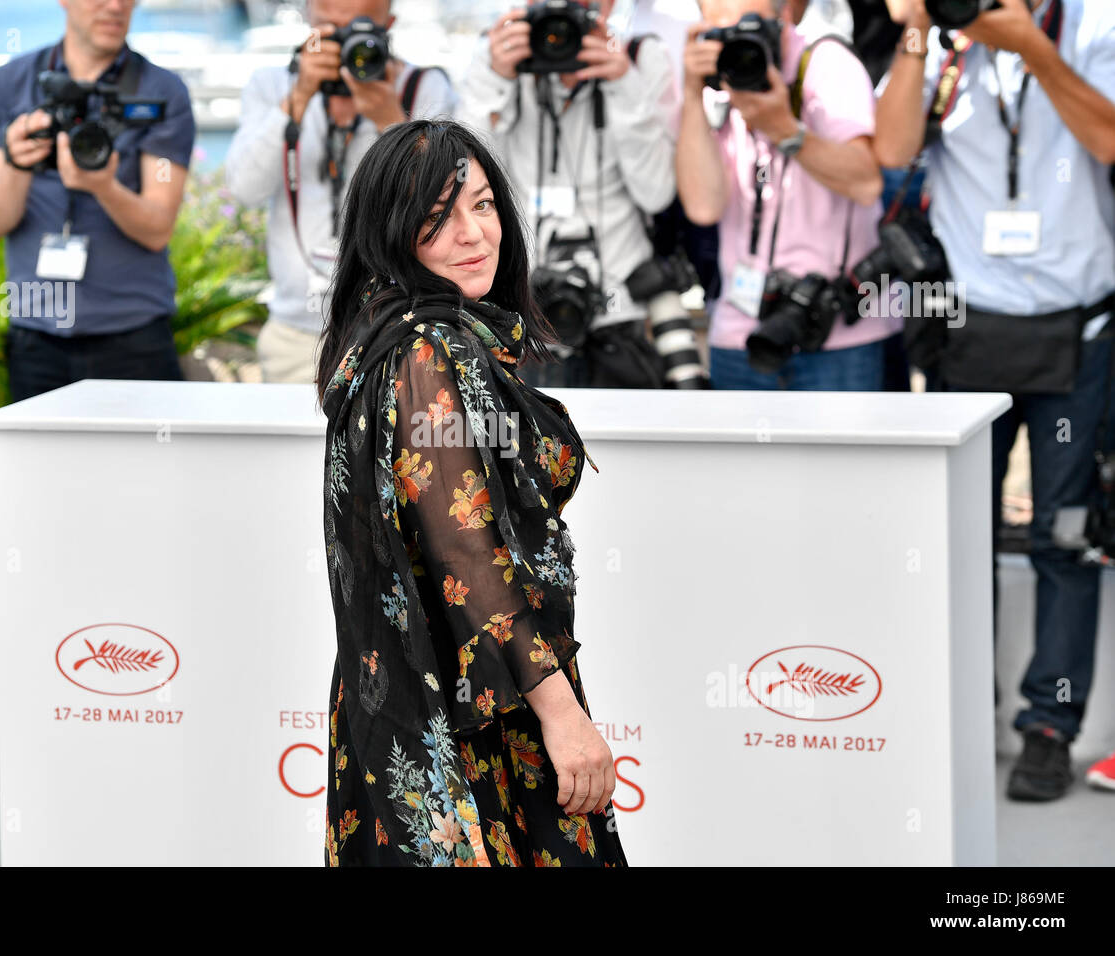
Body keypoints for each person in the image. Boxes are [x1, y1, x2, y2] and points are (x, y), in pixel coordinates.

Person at [316, 118, 628, 866]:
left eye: (483, 205)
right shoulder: (430, 350)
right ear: (391, 234)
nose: (473, 234)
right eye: (436, 218)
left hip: (410, 701)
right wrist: (563, 715)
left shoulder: (385, 334)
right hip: (472, 713)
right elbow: (470, 556)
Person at [874, 0, 1115, 801]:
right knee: (957, 537)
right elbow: (894, 150)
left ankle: (1049, 725)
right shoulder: (945, 40)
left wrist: (1033, 49)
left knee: (1063, 532)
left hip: (1076, 328)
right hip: (970, 330)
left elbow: (1111, 138)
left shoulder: (1090, 24)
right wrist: (916, 28)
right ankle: (951, 717)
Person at [225, 0, 456, 385]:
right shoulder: (272, 85)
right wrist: (296, 101)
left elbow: (442, 203)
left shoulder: (421, 88)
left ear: (389, 25)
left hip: (400, 329)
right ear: (308, 19)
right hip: (296, 333)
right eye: (330, 31)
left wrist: (391, 121)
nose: (344, 45)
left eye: (359, 29)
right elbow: (245, 188)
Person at [0, 0, 194, 402]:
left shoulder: (161, 93)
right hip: (35, 335)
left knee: (148, 467)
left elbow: (157, 227)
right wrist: (16, 162)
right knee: (37, 468)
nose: (115, 6)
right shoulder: (9, 86)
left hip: (135, 337)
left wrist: (103, 186)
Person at [677, 0, 900, 390]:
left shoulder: (826, 63)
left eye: (750, 29)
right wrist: (693, 96)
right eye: (723, 35)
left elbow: (866, 183)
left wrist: (784, 129)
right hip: (739, 330)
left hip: (835, 334)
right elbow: (702, 206)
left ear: (784, 19)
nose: (740, 48)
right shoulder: (715, 78)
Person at [457, 0, 680, 388]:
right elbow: (462, 182)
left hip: (618, 311)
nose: (559, 25)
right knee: (528, 448)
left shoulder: (642, 59)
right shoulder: (498, 60)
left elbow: (657, 194)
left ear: (607, 6)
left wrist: (624, 85)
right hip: (523, 312)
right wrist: (494, 81)